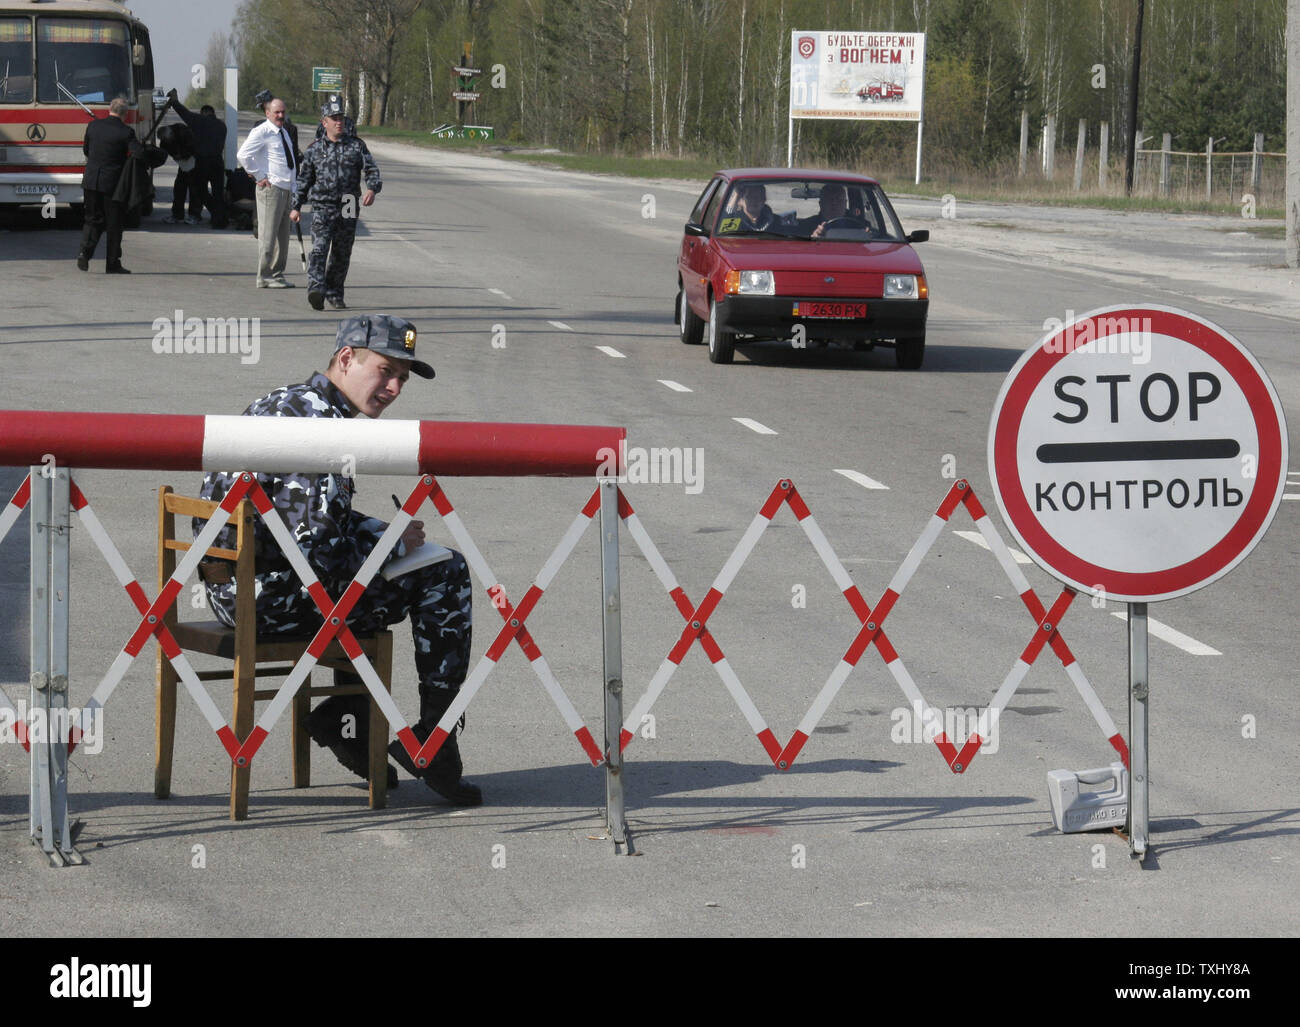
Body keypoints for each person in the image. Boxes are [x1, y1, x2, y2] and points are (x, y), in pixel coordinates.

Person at [197, 315, 482, 806]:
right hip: (268, 598)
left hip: (242, 585)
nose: (393, 388)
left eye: (402, 380)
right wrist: (393, 545)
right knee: (444, 573)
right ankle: (433, 741)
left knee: (383, 577)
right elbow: (320, 556)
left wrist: (385, 534)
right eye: (385, 370)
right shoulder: (318, 428)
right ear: (346, 358)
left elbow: (302, 518)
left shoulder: (288, 401)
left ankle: (350, 719)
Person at [291, 97, 382, 311]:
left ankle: (334, 292)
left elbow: (371, 170)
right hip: (323, 204)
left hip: (349, 202)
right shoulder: (314, 150)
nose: (338, 122)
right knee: (320, 248)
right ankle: (316, 288)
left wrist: (372, 188)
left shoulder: (356, 146)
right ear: (325, 122)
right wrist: (296, 206)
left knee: (342, 251)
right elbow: (304, 180)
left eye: (341, 117)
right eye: (334, 118)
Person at [77, 96, 143, 274]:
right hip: (112, 185)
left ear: (109, 109)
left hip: (91, 181)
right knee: (114, 224)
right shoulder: (126, 132)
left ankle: (84, 253)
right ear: (125, 114)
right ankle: (112, 263)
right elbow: (138, 153)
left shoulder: (93, 126)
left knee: (92, 219)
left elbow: (86, 150)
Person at [237, 95, 297, 288]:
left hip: (286, 189)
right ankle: (263, 276)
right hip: (271, 190)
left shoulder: (283, 132)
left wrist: (294, 188)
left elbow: (289, 162)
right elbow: (243, 154)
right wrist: (259, 175)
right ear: (267, 113)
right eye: (276, 112)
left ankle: (277, 274)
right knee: (268, 234)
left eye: (283, 112)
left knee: (283, 236)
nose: (280, 115)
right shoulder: (262, 131)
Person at [168, 90, 228, 227]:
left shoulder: (200, 121)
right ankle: (219, 218)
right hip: (218, 163)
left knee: (200, 191)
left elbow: (185, 114)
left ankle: (204, 214)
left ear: (204, 113)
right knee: (217, 193)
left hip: (202, 162)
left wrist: (175, 102)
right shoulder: (221, 125)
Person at [796, 183, 861, 239]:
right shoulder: (805, 226)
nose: (834, 203)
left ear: (845, 203)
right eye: (830, 199)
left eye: (839, 199)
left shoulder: (859, 227)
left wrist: (867, 235)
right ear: (821, 204)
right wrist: (813, 239)